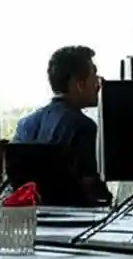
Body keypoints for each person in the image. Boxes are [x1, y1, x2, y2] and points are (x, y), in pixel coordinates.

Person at [12, 45, 109, 204]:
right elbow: (91, 190)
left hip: (33, 219)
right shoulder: (84, 127)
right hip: (76, 223)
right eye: (95, 78)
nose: (98, 86)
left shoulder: (26, 124)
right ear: (80, 85)